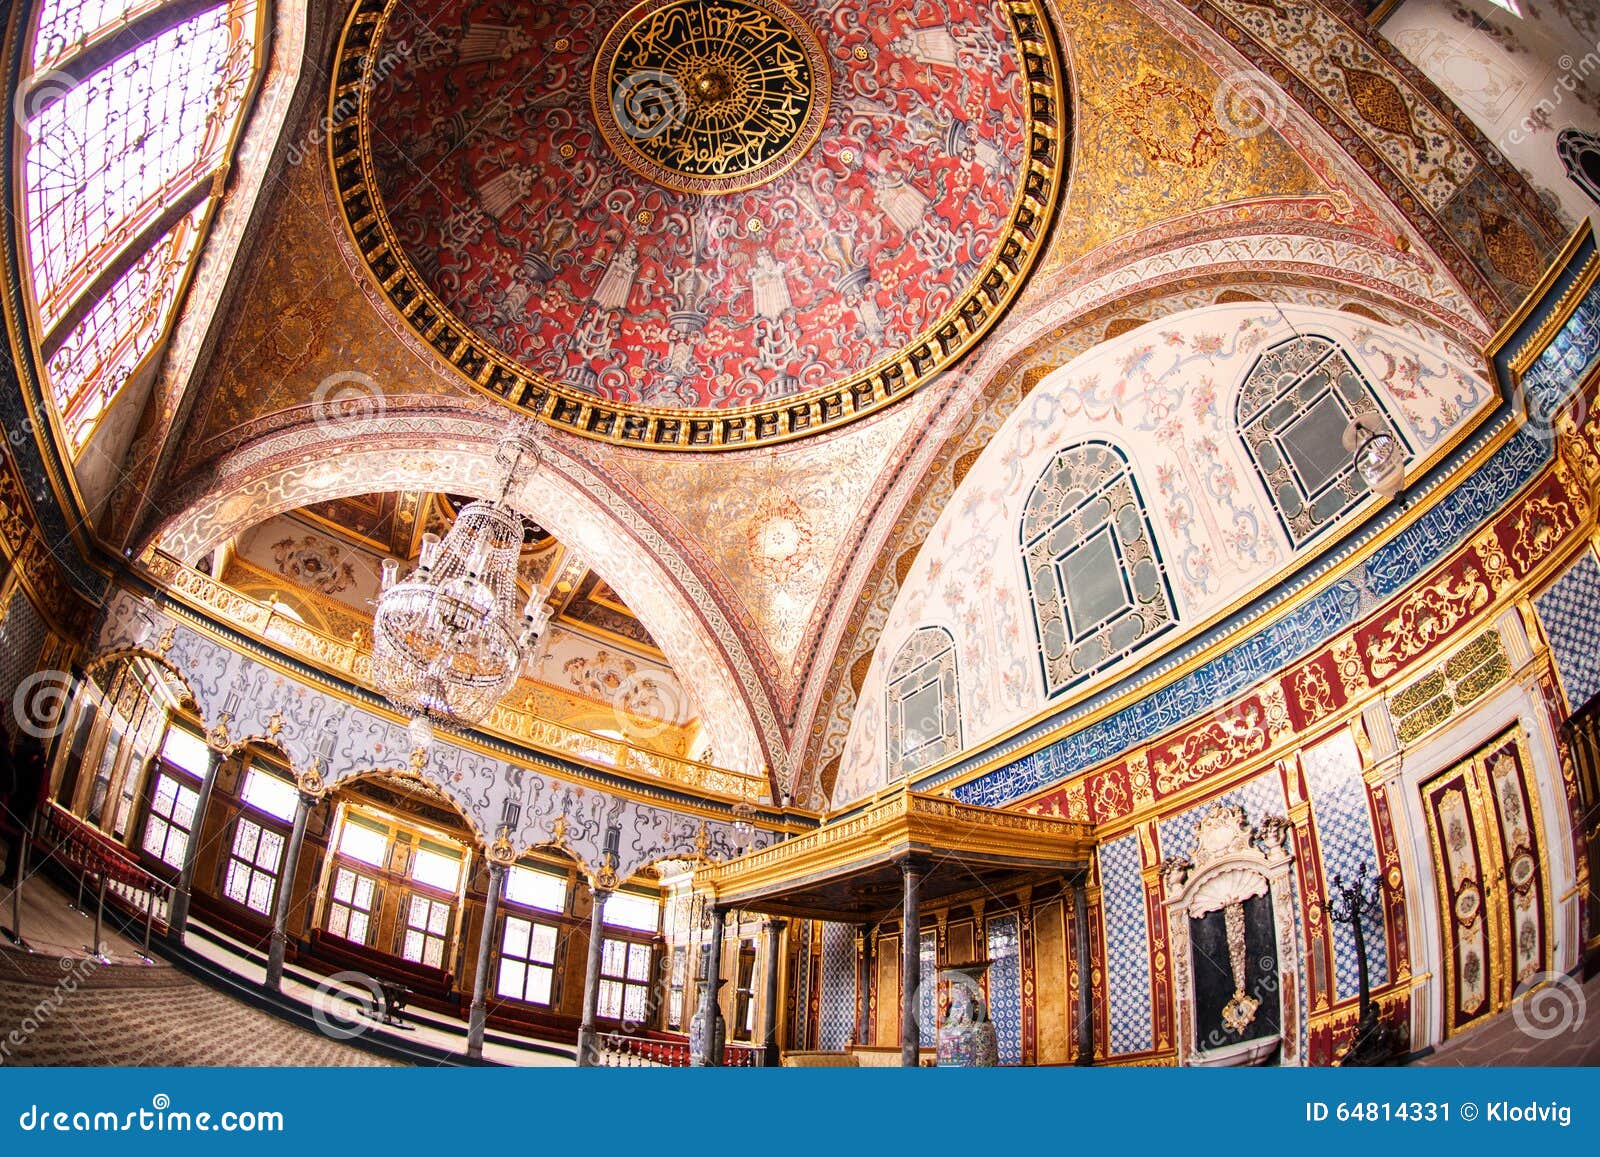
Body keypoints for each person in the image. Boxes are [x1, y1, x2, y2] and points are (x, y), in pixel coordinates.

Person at [0, 729, 46, 886]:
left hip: (17, 801)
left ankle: (10, 874)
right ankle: (11, 874)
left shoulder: (26, 754)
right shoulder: (38, 757)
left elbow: (17, 776)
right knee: (17, 842)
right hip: (25, 804)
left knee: (15, 841)